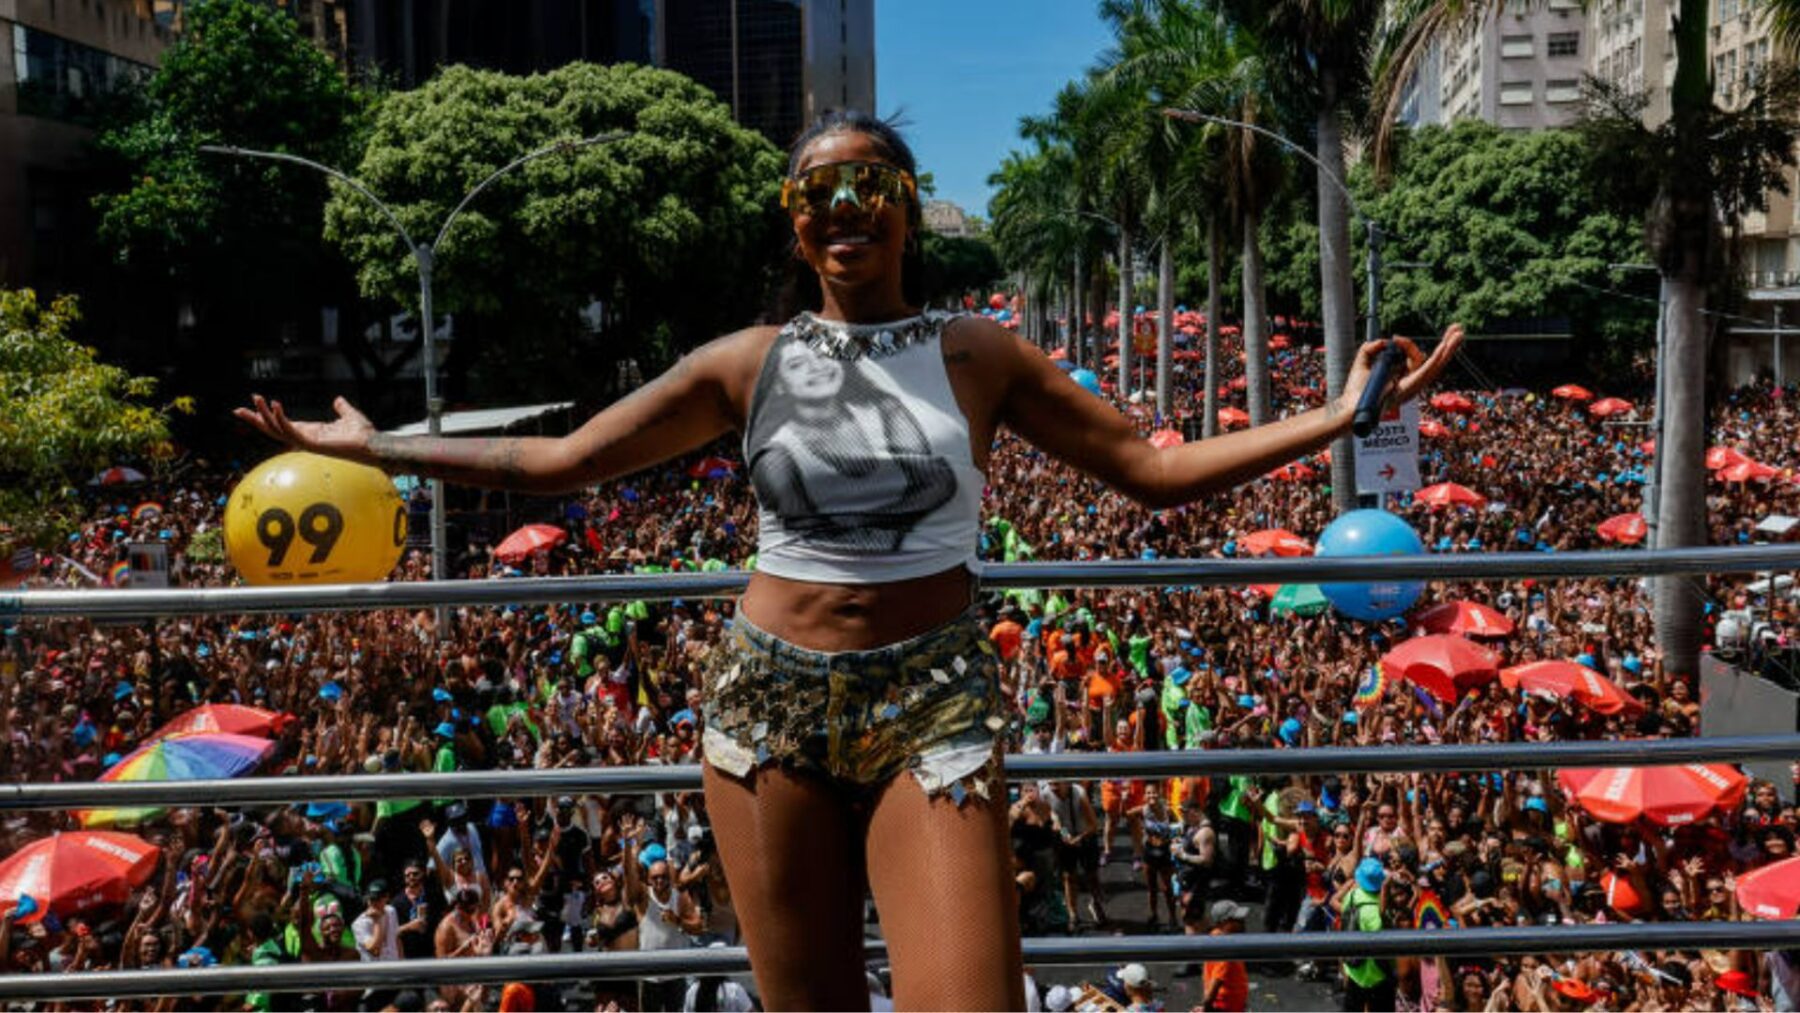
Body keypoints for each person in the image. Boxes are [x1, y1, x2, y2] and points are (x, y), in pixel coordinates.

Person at [235, 108, 1462, 1007]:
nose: (840, 209)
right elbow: (562, 462)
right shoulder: (744, 361)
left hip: (934, 701)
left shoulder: (978, 354)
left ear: (907, 206)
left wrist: (1337, 419)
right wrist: (382, 445)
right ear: (795, 222)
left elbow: (1148, 471)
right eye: (815, 191)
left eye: (868, 183)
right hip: (765, 705)